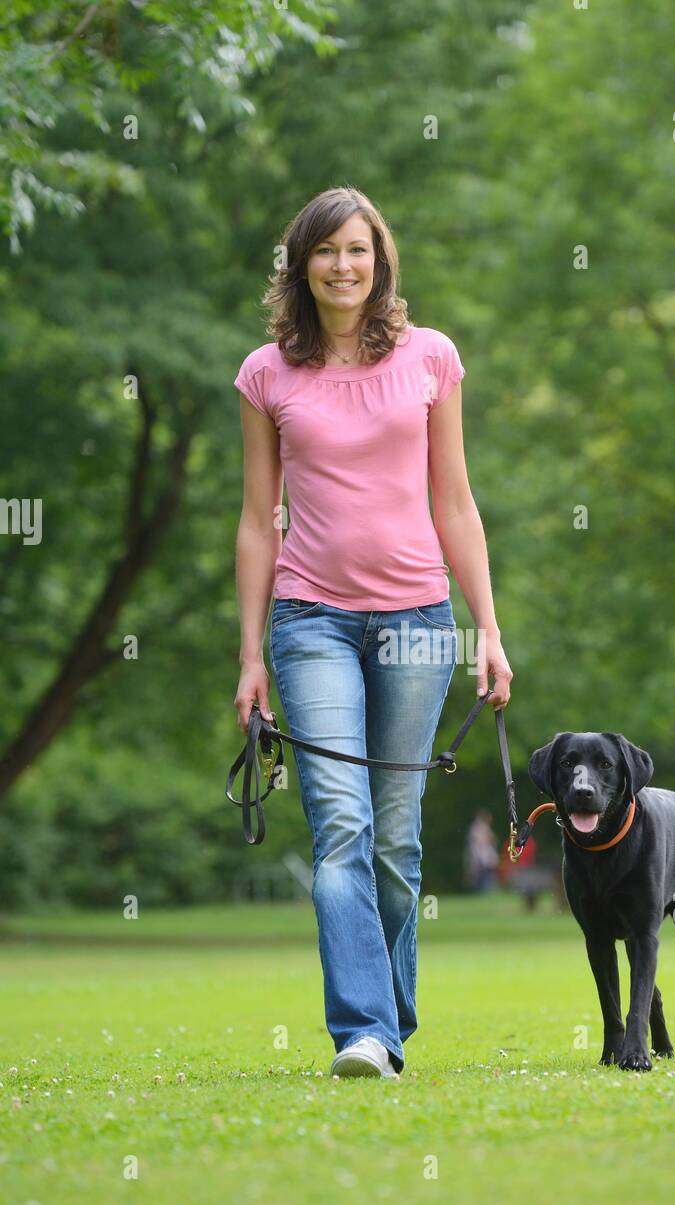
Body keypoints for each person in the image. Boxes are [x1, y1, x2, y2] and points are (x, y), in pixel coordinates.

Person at [233, 186, 513, 1079]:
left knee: (395, 838)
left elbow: (455, 500)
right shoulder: (266, 372)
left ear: (379, 258)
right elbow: (254, 520)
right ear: (301, 265)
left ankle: (387, 1020)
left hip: (418, 624)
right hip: (309, 619)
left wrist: (489, 628)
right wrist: (250, 655)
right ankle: (363, 1030)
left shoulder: (430, 358)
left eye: (356, 249)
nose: (342, 266)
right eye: (325, 251)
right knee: (341, 826)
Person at [464, 809, 500, 893]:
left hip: (484, 857)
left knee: (486, 876)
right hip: (482, 857)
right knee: (483, 877)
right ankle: (486, 891)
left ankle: (487, 891)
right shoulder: (478, 828)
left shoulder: (480, 828)